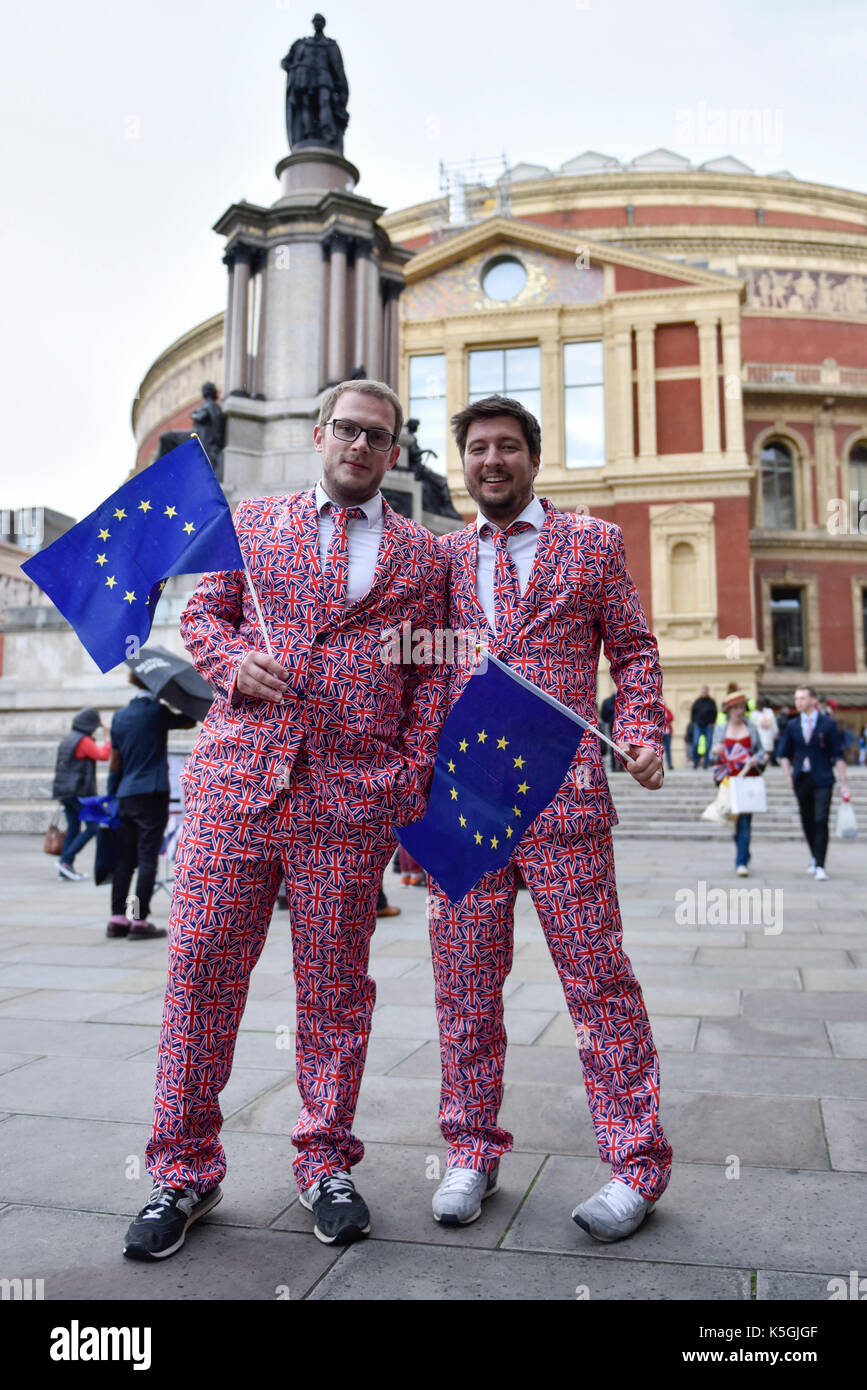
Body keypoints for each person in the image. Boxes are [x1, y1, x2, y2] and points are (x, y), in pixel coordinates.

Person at [123, 379, 448, 1261]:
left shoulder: (426, 556)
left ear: (393, 450)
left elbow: (432, 676)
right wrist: (231, 664)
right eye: (346, 428)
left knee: (336, 992)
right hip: (238, 790)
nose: (359, 444)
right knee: (198, 976)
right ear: (319, 433)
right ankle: (182, 1169)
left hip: (350, 804)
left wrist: (403, 775)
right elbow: (202, 613)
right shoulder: (253, 521)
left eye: (377, 436)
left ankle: (325, 1161)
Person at [427, 393, 671, 1243]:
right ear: (463, 464)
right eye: (476, 450)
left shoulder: (593, 543)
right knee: (462, 988)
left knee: (598, 983)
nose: (490, 462)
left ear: (533, 456)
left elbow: (635, 652)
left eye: (505, 447)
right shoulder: (441, 558)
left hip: (565, 797)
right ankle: (469, 1148)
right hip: (466, 802)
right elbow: (419, 675)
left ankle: (634, 1163)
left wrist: (638, 734)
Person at [108, 673, 195, 939]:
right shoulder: (157, 712)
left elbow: (115, 761)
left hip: (125, 794)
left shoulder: (119, 716)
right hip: (152, 793)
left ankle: (118, 917)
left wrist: (112, 796)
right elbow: (189, 720)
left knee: (125, 861)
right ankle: (138, 920)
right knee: (147, 859)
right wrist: (172, 698)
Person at [779, 685, 849, 881]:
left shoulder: (828, 724)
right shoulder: (792, 725)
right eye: (796, 698)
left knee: (820, 818)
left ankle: (820, 864)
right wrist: (788, 775)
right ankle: (814, 855)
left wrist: (844, 782)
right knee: (807, 819)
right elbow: (784, 754)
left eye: (802, 698)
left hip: (823, 777)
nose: (798, 702)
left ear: (813, 700)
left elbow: (838, 754)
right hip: (801, 778)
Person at [709, 691, 767, 876]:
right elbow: (712, 755)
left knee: (744, 821)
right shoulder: (720, 728)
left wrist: (757, 759)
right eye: (735, 708)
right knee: (733, 822)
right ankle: (744, 851)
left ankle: (741, 861)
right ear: (728, 710)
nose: (738, 711)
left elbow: (761, 752)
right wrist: (716, 750)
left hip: (747, 780)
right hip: (727, 781)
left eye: (741, 707)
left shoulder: (751, 727)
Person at [51, 708, 112, 881]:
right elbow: (103, 755)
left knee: (73, 828)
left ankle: (65, 869)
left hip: (66, 791)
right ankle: (65, 861)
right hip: (79, 792)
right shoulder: (83, 741)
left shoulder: (69, 738)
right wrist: (107, 735)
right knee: (92, 827)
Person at [690, 686, 717, 767]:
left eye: (705, 692)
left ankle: (706, 762)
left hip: (708, 725)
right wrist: (694, 722)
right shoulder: (697, 702)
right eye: (702, 692)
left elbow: (715, 712)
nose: (703, 693)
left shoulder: (711, 702)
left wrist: (712, 722)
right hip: (698, 725)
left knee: (708, 744)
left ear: (707, 692)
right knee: (695, 743)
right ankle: (695, 761)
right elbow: (693, 712)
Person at [754, 697, 779, 765]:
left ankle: (766, 761)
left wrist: (776, 731)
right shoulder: (754, 713)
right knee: (762, 748)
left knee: (769, 749)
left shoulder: (769, 711)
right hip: (760, 734)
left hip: (768, 733)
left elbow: (773, 722)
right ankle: (763, 762)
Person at [662, 701, 674, 770]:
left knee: (668, 749)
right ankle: (660, 764)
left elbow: (671, 718)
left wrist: (664, 720)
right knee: (659, 750)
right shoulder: (657, 710)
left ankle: (670, 764)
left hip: (667, 733)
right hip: (660, 734)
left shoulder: (668, 711)